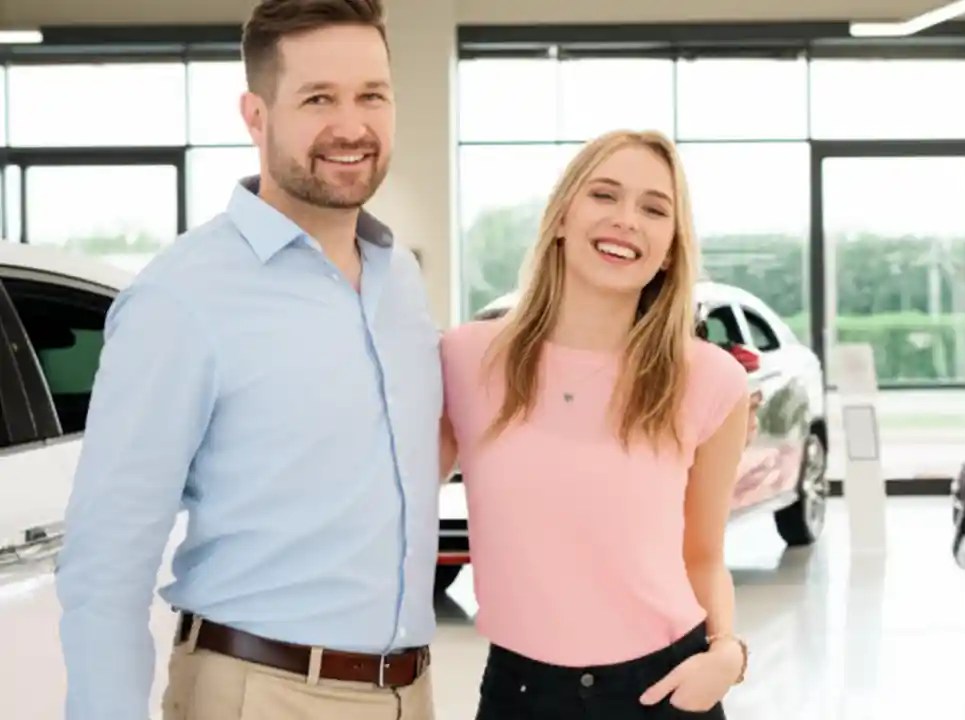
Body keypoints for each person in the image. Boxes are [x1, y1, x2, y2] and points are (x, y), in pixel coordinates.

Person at [55, 1, 442, 719]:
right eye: (318, 98)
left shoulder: (401, 281)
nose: (352, 126)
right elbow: (106, 563)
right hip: (259, 694)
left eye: (371, 95)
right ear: (256, 116)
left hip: (407, 694)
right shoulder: (182, 297)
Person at [440, 129, 751, 719]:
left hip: (665, 690)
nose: (626, 220)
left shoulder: (709, 380)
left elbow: (704, 555)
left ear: (670, 248)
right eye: (604, 195)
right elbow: (390, 505)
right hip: (521, 696)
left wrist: (727, 653)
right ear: (561, 217)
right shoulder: (466, 359)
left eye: (654, 209)